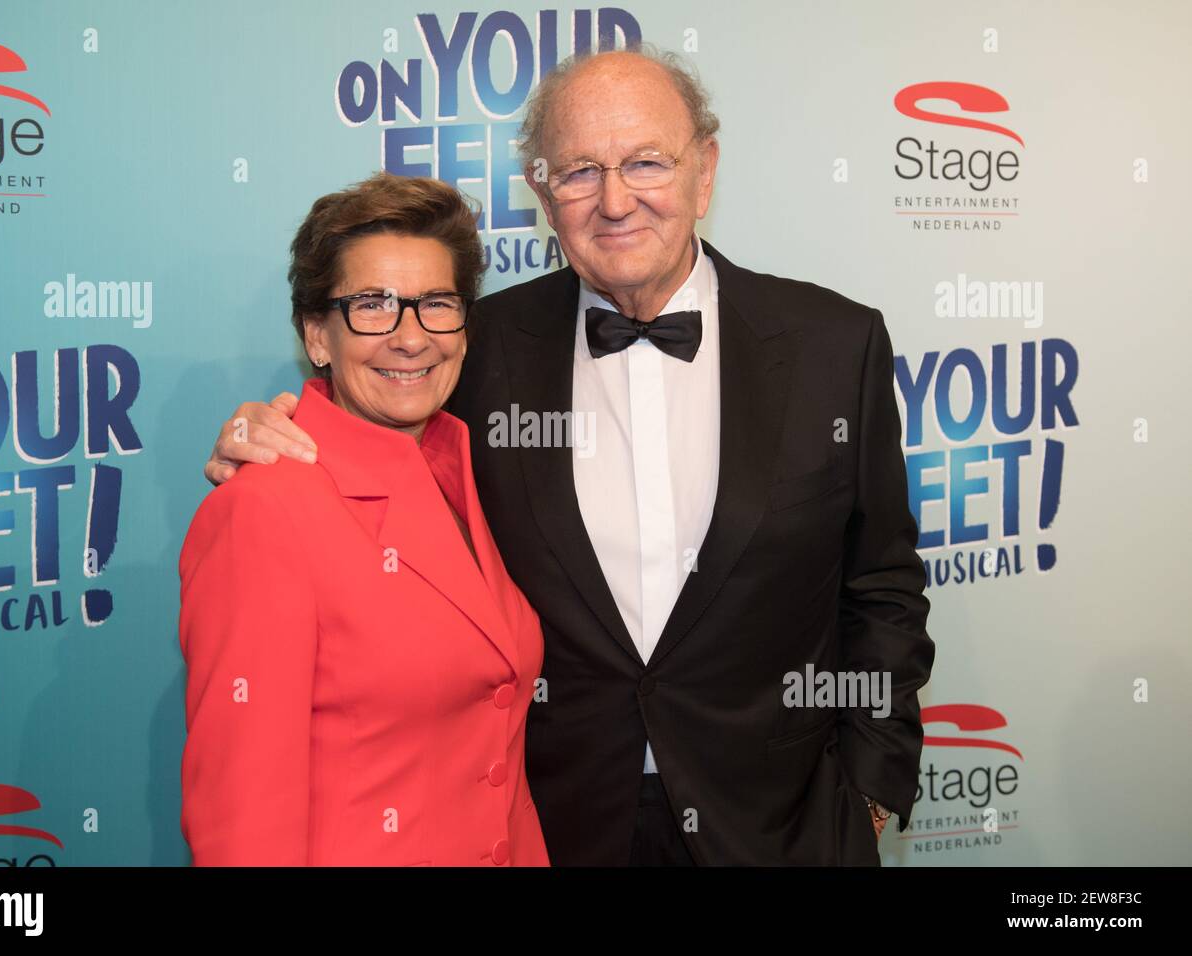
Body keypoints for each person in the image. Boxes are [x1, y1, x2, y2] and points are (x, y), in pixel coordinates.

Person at [203, 46, 935, 866]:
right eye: (580, 171)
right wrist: (258, 434)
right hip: (551, 830)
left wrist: (869, 792)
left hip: (785, 829)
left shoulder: (834, 345)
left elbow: (881, 586)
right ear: (544, 194)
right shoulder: (469, 350)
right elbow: (360, 424)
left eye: (646, 162)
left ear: (706, 171)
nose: (616, 201)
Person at [178, 172, 549, 866]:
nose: (410, 338)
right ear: (316, 334)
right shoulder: (262, 511)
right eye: (372, 305)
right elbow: (243, 828)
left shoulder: (469, 475)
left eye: (436, 303)